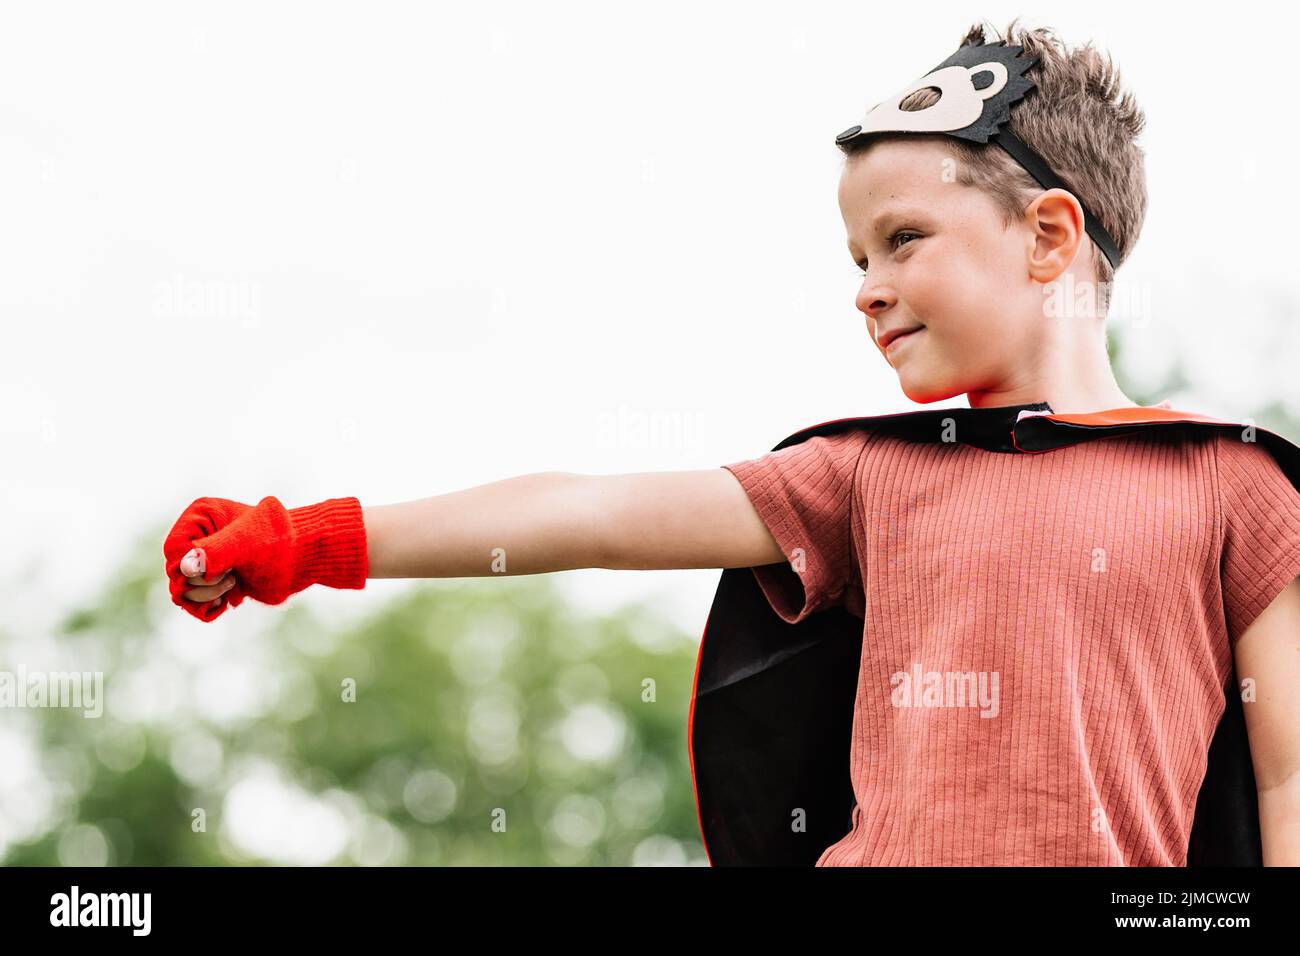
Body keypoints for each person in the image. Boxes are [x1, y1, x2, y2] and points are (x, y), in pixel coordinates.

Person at [164, 19, 1300, 866]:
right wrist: (310, 538)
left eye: (903, 240)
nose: (869, 287)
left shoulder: (1233, 482)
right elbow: (589, 515)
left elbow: (1288, 778)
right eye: (855, 258)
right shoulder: (865, 474)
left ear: (1049, 235)